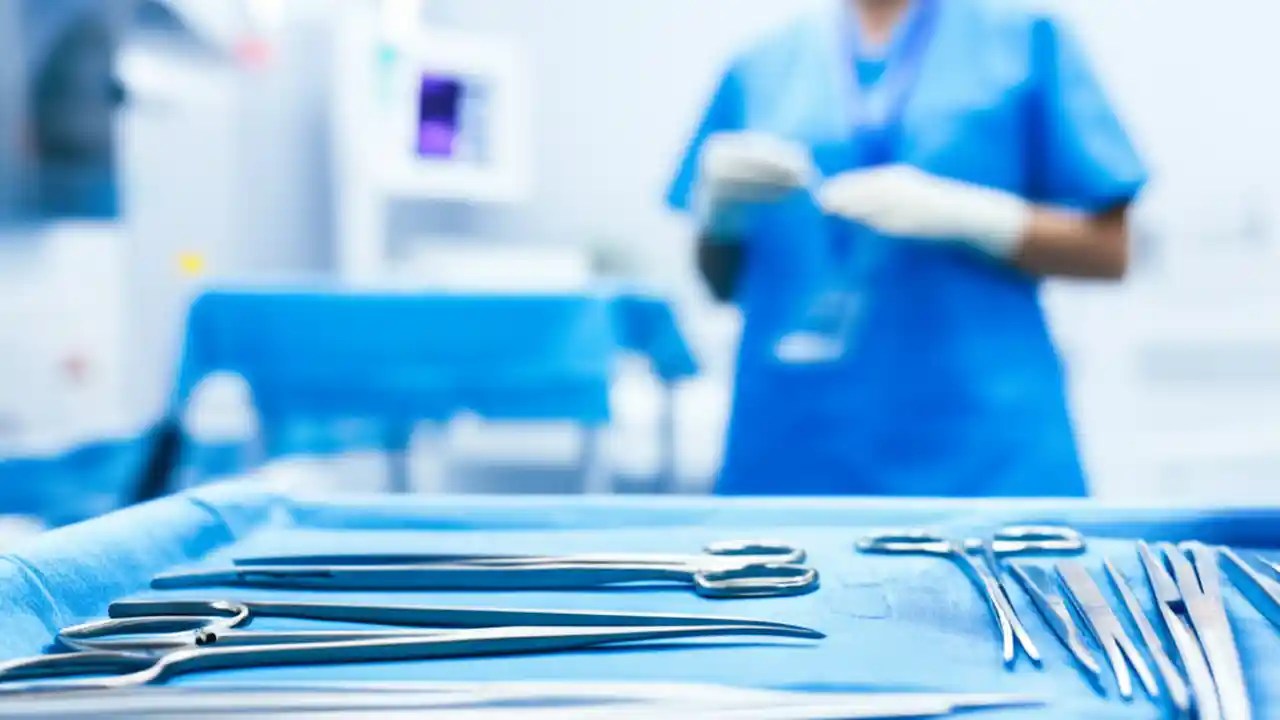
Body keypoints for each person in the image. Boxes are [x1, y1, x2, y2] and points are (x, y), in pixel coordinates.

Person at [666, 0, 1147, 497]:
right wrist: (718, 216)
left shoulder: (1024, 40)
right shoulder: (759, 66)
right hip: (793, 445)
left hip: (985, 454)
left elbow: (1110, 250)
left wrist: (980, 219)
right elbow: (722, 285)